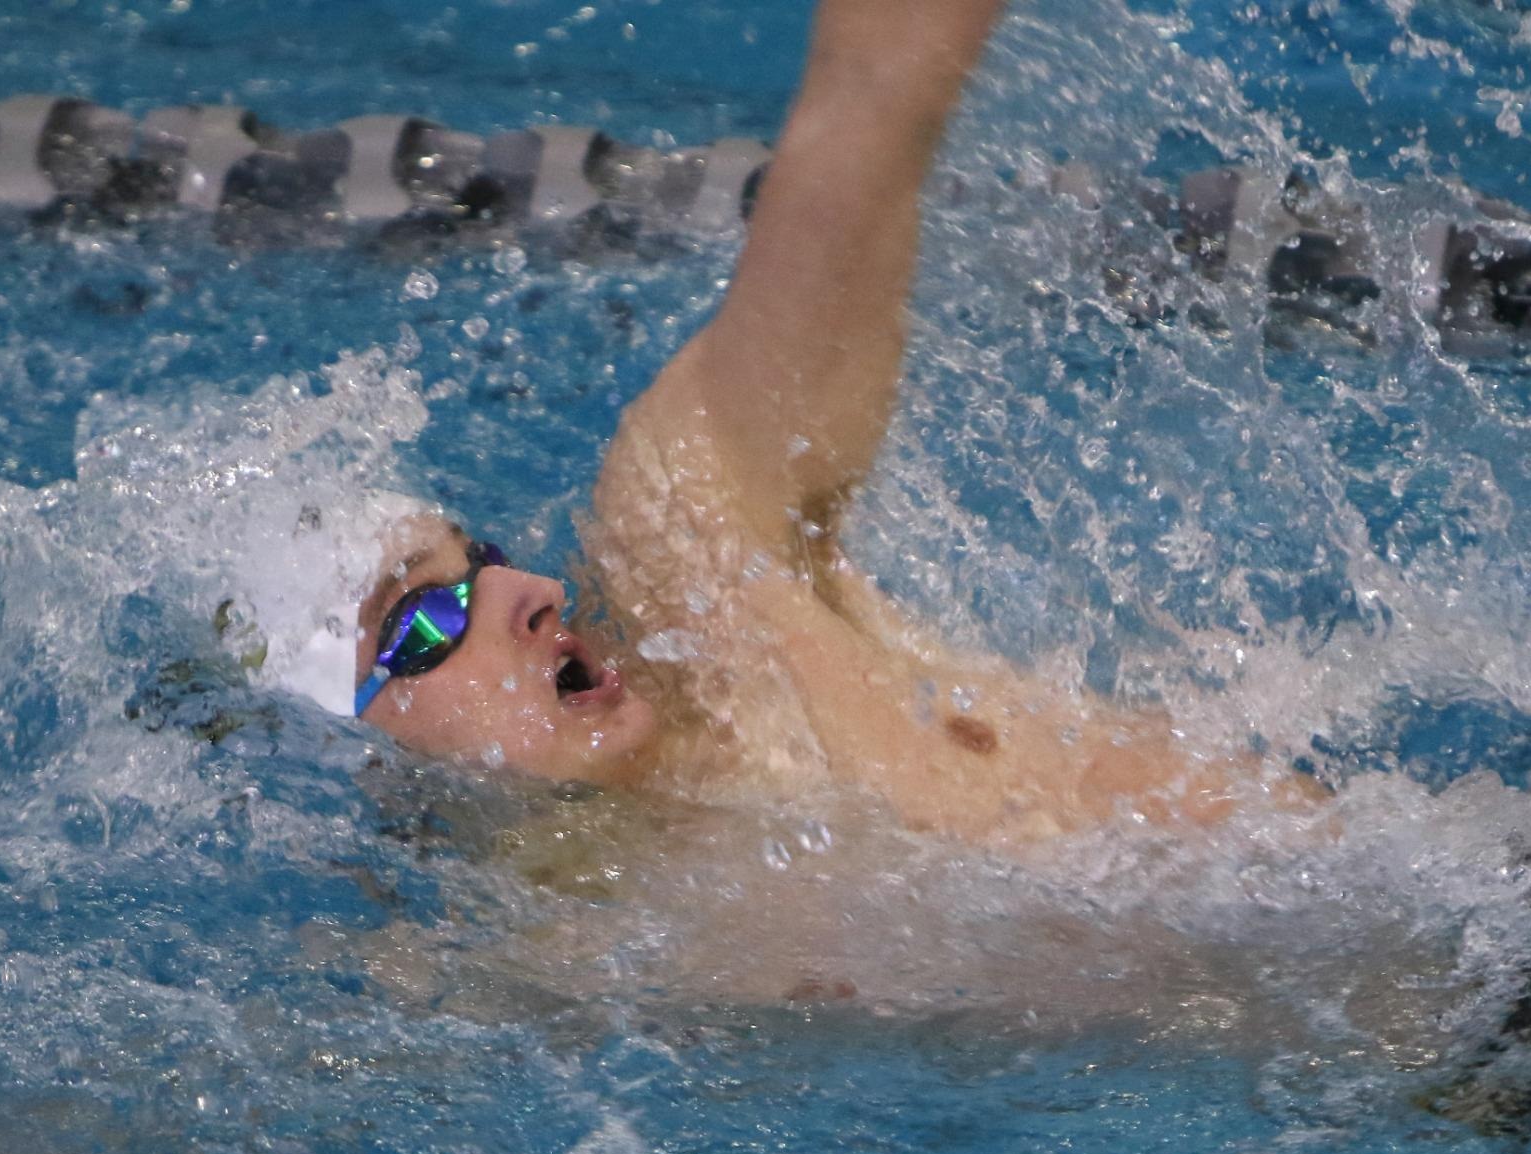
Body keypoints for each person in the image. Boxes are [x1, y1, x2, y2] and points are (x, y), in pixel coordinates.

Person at [321, 0, 1312, 846]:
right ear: (352, 750)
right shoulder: (544, 976)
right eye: (425, 620)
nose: (534, 590)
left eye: (485, 561)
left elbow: (873, 92)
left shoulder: (694, 572)